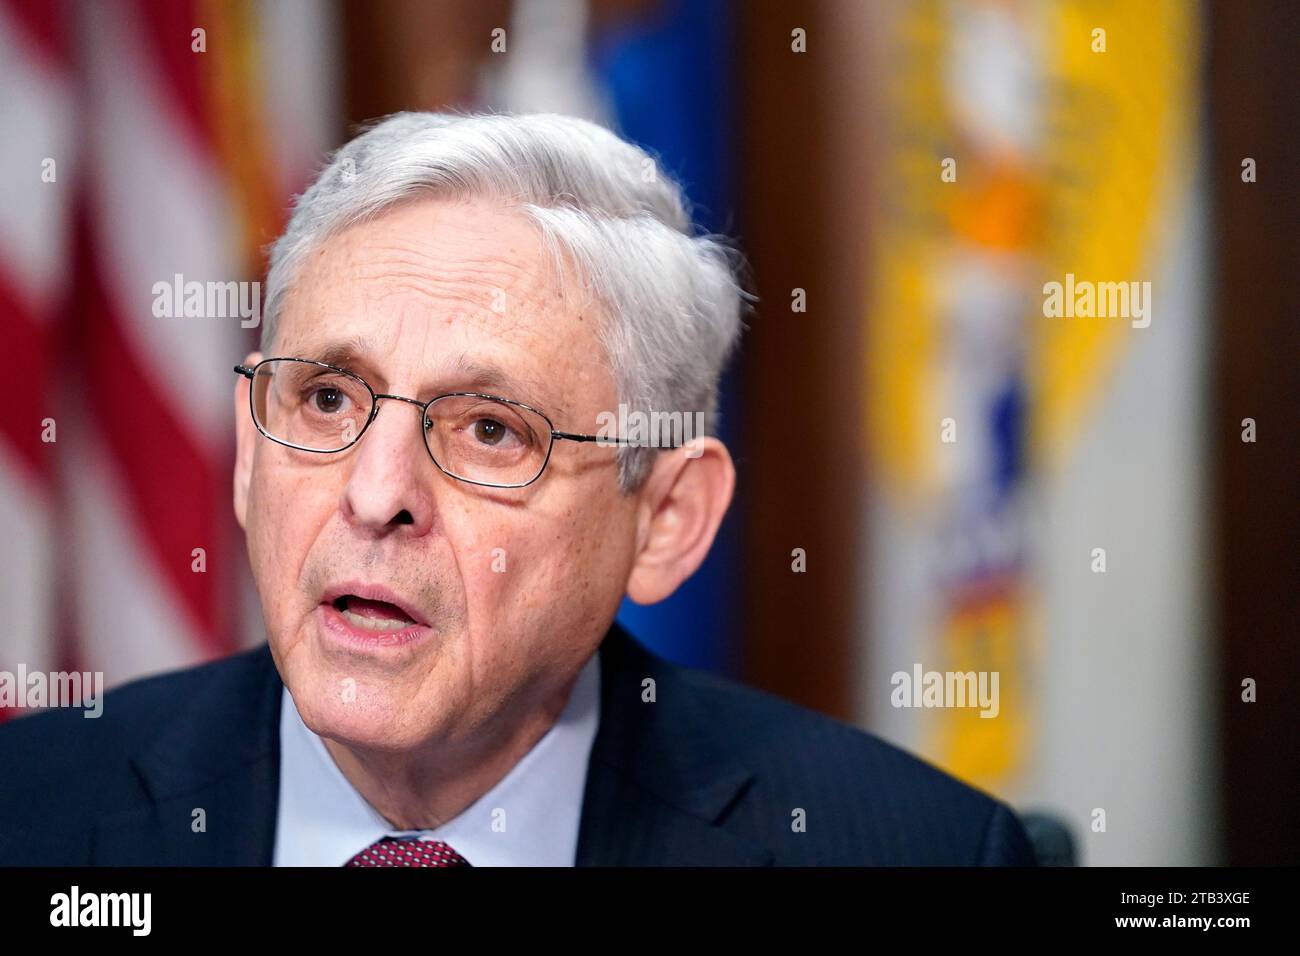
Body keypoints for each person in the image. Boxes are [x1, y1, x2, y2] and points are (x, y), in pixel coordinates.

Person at [0, 112, 1034, 866]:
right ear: (245, 448)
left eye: (489, 429)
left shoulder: (912, 850)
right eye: (323, 399)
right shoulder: (32, 813)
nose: (375, 493)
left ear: (665, 517)